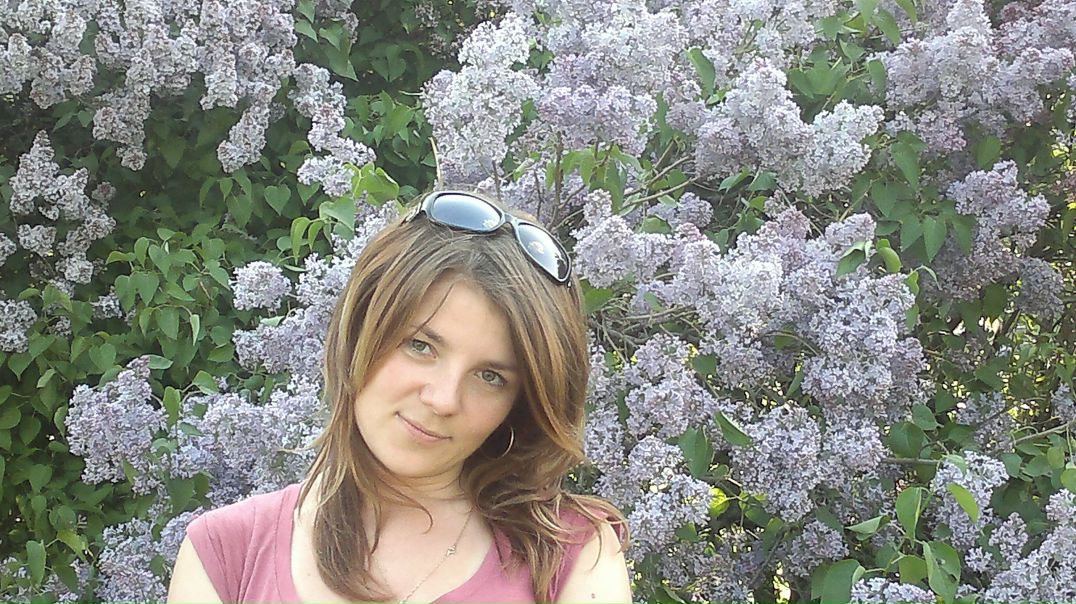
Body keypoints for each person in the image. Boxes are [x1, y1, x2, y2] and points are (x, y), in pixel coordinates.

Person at [166, 190, 632, 604]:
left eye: (490, 377)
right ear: (360, 331)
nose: (443, 399)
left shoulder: (571, 555)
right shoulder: (226, 554)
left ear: (519, 405)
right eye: (420, 346)